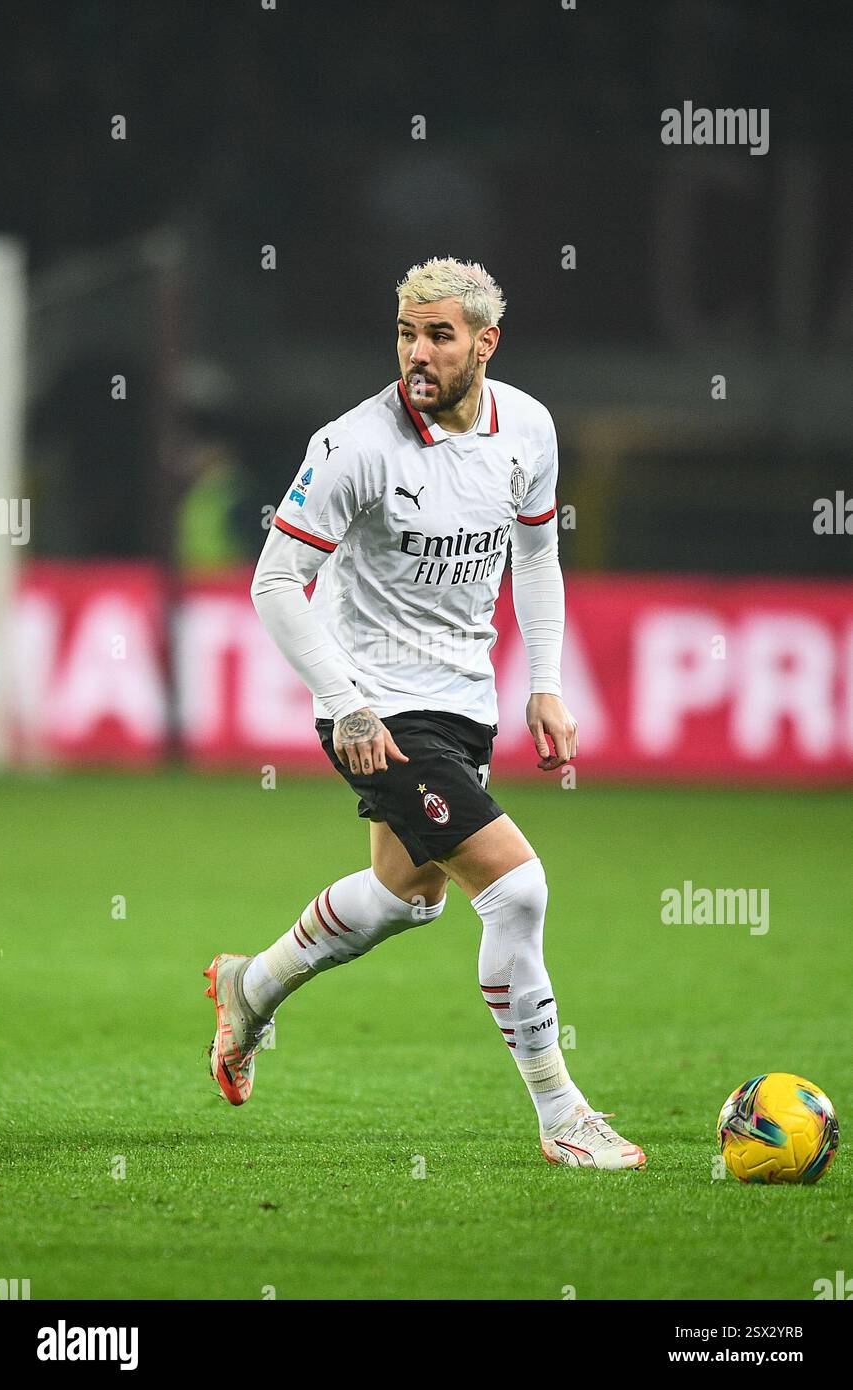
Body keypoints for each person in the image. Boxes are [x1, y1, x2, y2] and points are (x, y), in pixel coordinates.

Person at [204, 256, 645, 1171]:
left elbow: (536, 558)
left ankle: (252, 985)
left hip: (464, 700)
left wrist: (546, 683)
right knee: (516, 889)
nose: (417, 353)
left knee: (409, 900)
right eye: (406, 332)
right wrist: (346, 704)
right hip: (375, 705)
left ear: (486, 342)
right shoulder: (354, 445)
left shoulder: (527, 427)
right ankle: (563, 1113)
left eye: (438, 335)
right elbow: (276, 581)